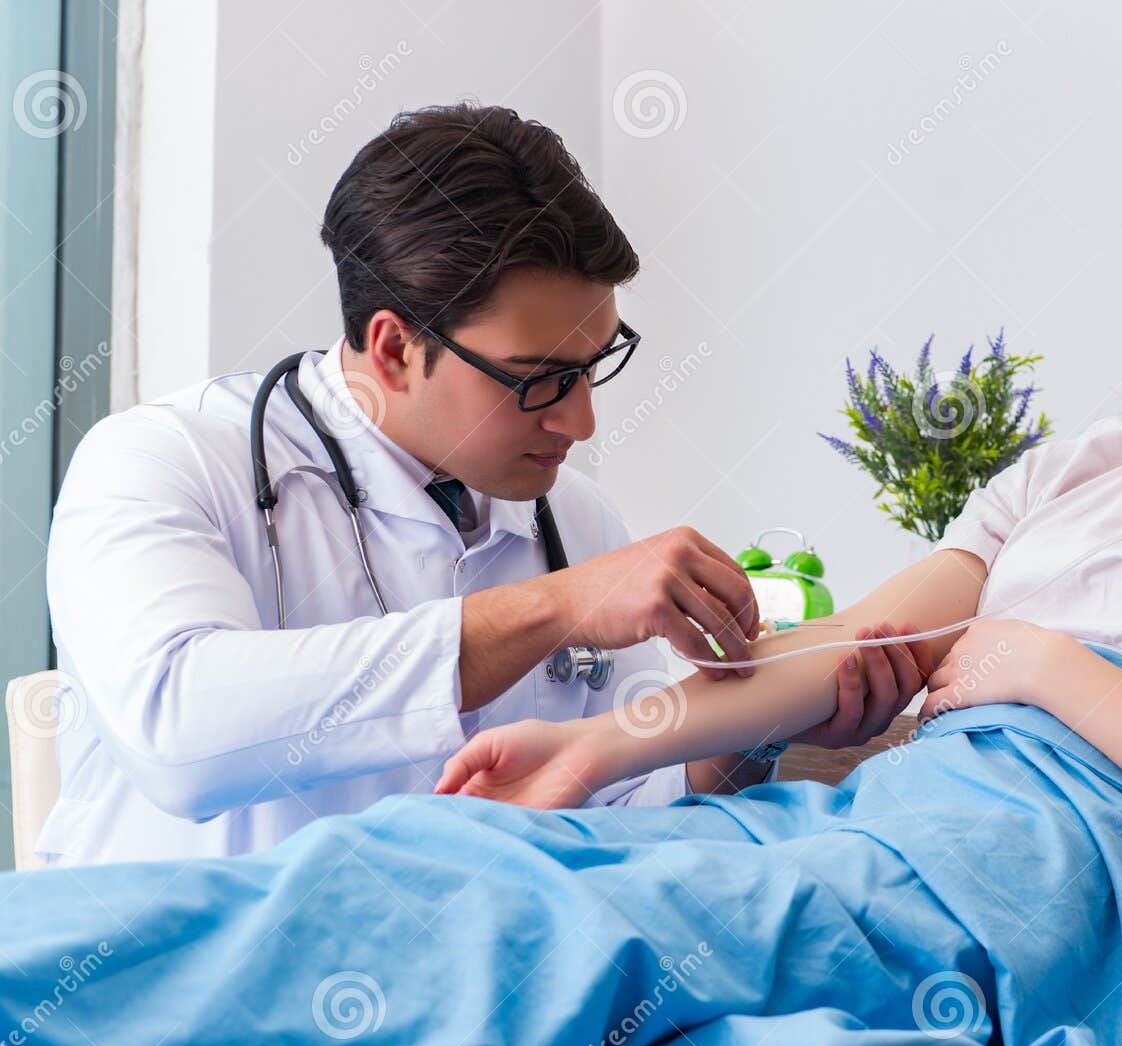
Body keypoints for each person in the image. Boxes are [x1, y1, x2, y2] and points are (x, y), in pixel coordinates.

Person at [437, 143, 1122, 906]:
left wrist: (1039, 663)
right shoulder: (1093, 464)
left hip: (1055, 871)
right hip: (917, 820)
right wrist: (594, 747)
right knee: (497, 886)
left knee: (614, 930)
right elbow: (871, 637)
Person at [39, 103, 922, 866]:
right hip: (183, 1008)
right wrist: (552, 610)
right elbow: (181, 737)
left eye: (594, 367)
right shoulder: (160, 462)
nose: (579, 423)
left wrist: (752, 727)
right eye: (537, 379)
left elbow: (631, 807)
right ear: (392, 347)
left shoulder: (566, 515)